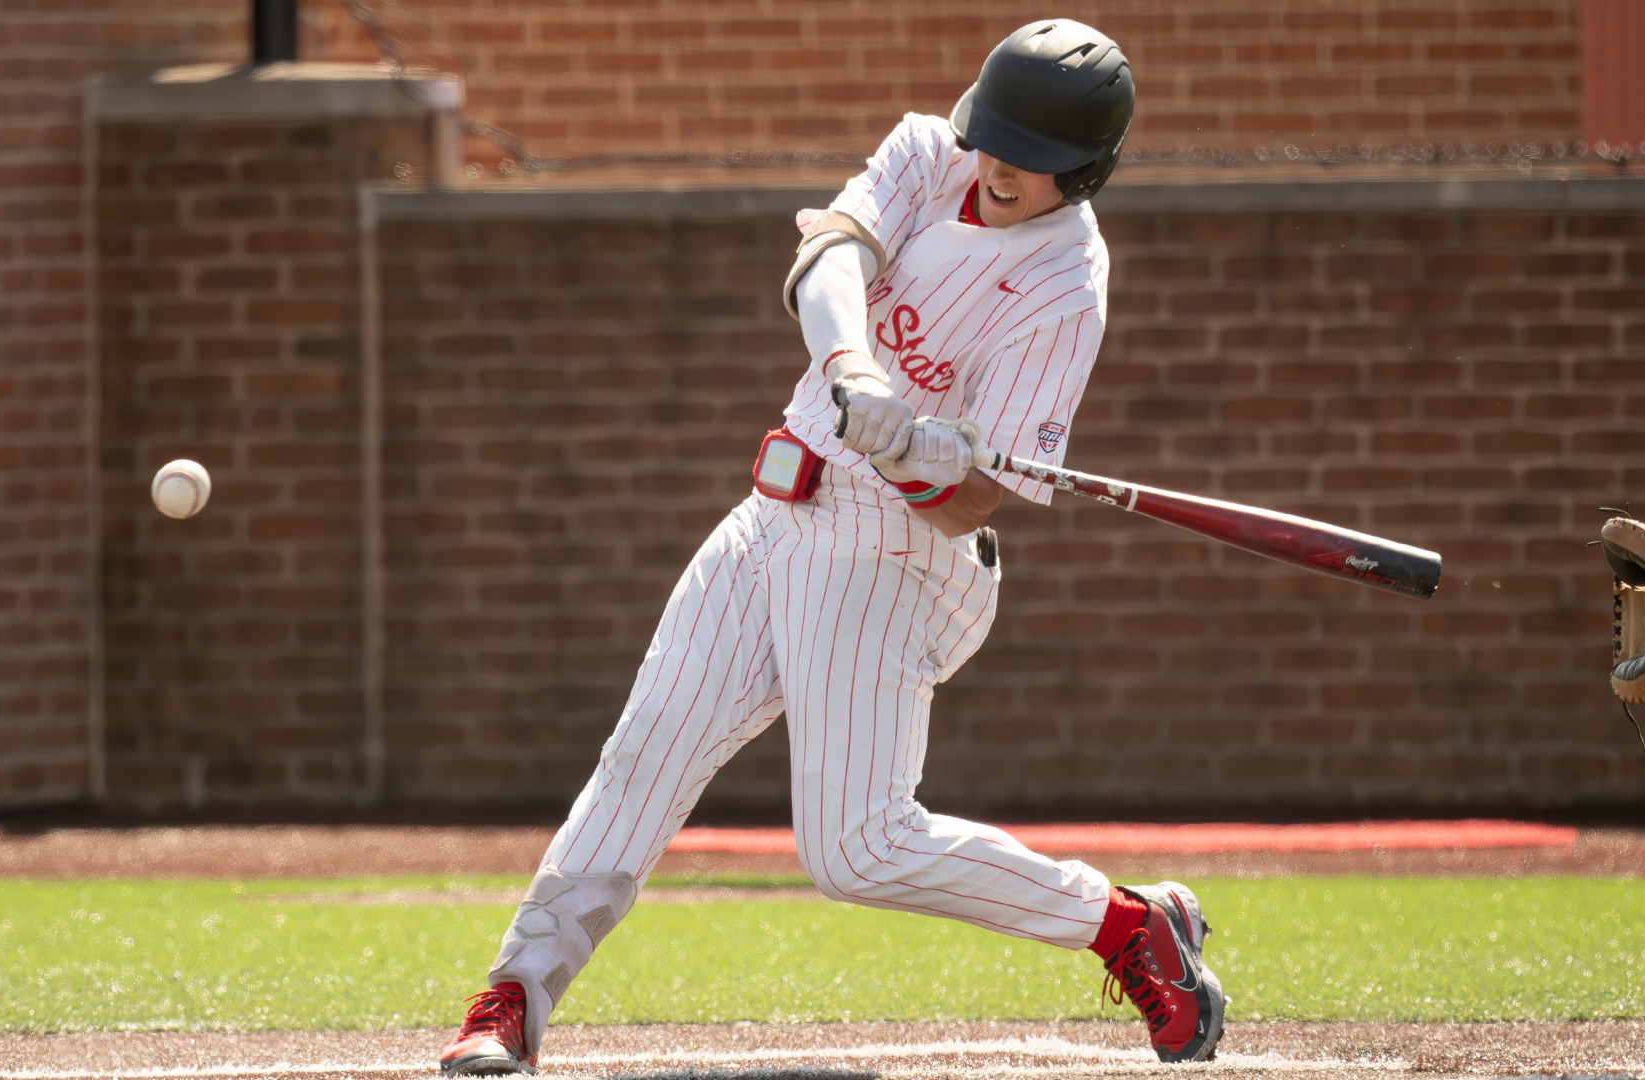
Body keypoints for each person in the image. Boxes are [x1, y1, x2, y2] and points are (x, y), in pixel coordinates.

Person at [438, 20, 1226, 1075]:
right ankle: (511, 1001)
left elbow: (973, 501)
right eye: (994, 137)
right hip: (777, 509)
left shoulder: (1065, 286)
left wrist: (919, 457)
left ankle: (1129, 925)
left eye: (1030, 158)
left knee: (855, 851)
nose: (998, 165)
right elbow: (830, 257)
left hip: (894, 555)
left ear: (1080, 173)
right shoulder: (922, 150)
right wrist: (855, 372)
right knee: (644, 754)